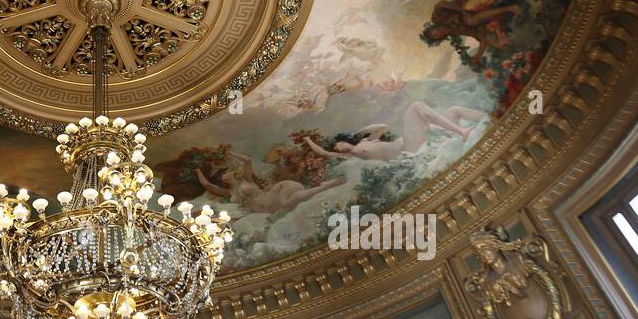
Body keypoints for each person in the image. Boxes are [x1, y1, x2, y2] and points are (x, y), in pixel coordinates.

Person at [304, 101, 485, 162]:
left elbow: (382, 127)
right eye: (337, 148)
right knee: (416, 107)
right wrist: (307, 140)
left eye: (340, 144)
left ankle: (487, 119)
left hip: (409, 141)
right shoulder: (353, 156)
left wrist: (362, 132)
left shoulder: (364, 143)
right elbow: (322, 152)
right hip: (408, 149)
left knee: (454, 110)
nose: (340, 148)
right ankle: (462, 131)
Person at [196, 152, 345, 215]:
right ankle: (325, 186)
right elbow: (207, 185)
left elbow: (247, 160)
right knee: (287, 205)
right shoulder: (228, 192)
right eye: (221, 174)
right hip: (266, 210)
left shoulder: (246, 179)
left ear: (233, 173)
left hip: (273, 196)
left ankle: (327, 186)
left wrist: (230, 154)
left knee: (287, 202)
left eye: (224, 172)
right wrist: (197, 170)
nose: (222, 175)